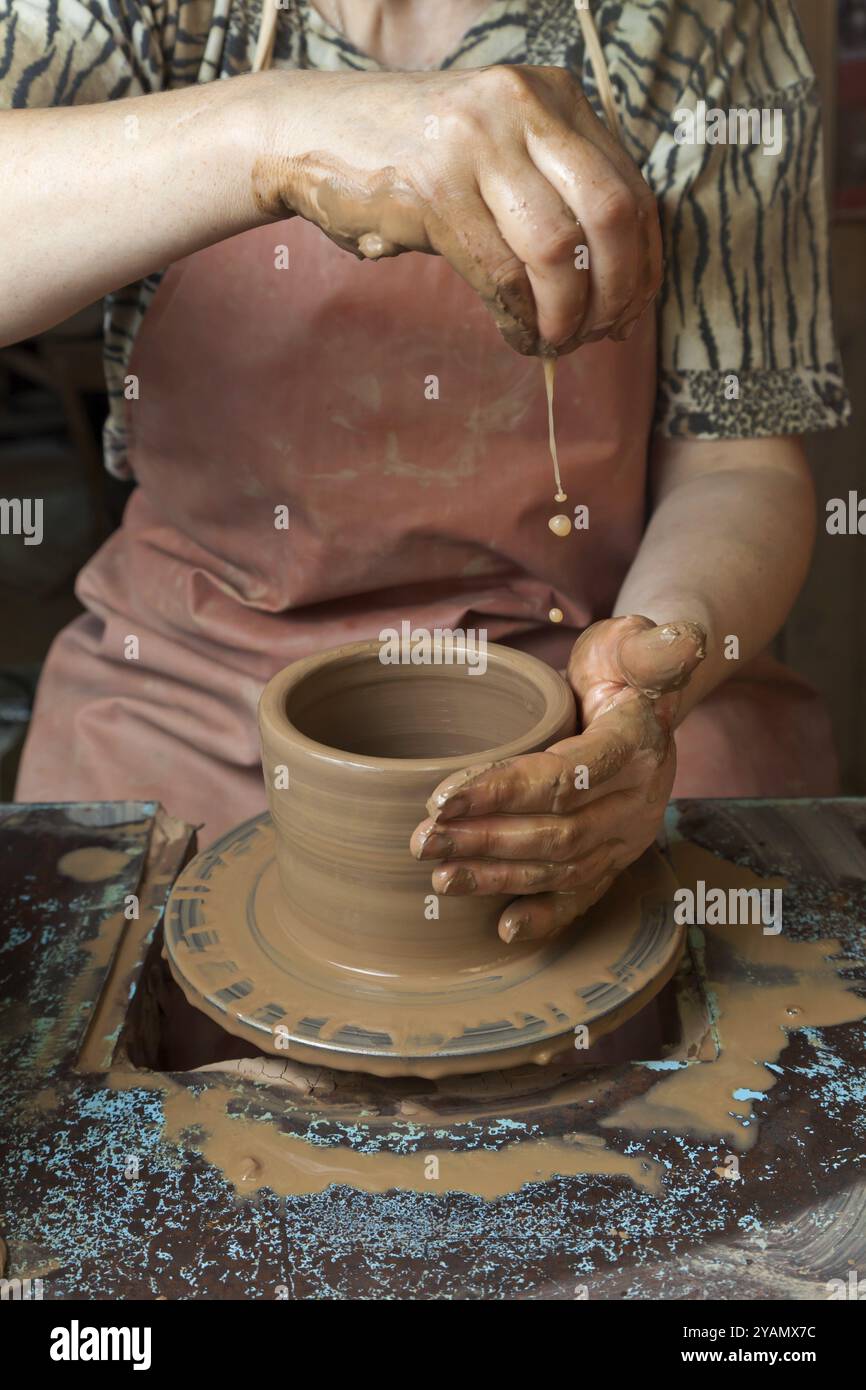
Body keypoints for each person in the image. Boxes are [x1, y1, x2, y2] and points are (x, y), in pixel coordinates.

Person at [1, 0, 848, 943]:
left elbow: (735, 457)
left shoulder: (702, 22)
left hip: (583, 674)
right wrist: (278, 131)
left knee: (746, 992)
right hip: (188, 678)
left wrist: (649, 681)